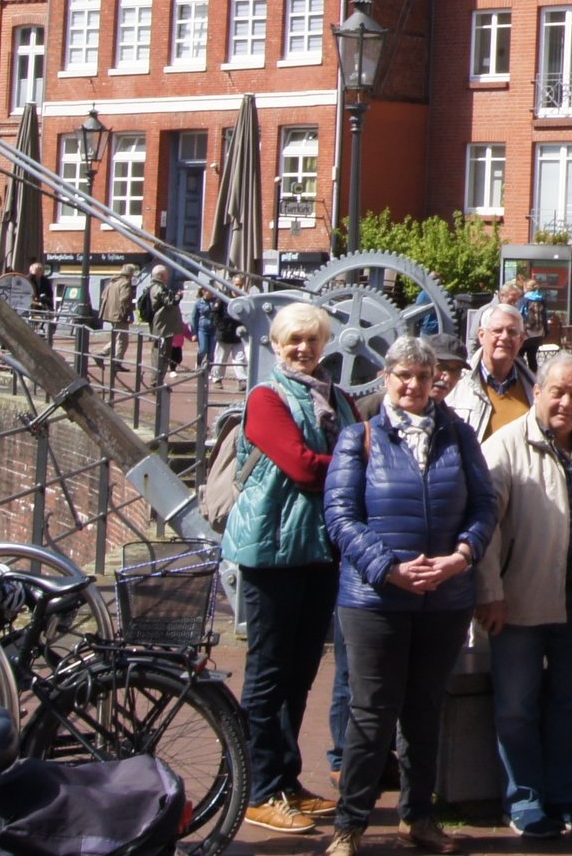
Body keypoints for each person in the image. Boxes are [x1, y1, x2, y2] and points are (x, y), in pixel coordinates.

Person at [323, 335, 499, 856]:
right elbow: (340, 515)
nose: (414, 386)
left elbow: (485, 505)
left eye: (423, 377)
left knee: (424, 711)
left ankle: (418, 817)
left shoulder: (459, 437)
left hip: (444, 599)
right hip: (376, 601)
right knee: (372, 712)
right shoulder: (361, 438)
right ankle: (350, 825)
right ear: (387, 378)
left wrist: (462, 557)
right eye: (404, 376)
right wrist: (388, 568)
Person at [225, 301, 359, 833]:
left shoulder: (340, 398)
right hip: (273, 551)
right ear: (276, 346)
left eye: (312, 339)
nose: (303, 349)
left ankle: (286, 780)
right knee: (268, 672)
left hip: (319, 551)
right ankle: (258, 788)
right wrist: (358, 457)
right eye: (293, 341)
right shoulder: (266, 398)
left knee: (301, 673)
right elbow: (302, 467)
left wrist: (357, 456)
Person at [476, 353, 572, 839]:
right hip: (520, 595)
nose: (567, 401)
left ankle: (565, 796)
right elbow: (486, 530)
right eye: (558, 391)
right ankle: (524, 799)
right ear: (538, 392)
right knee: (516, 703)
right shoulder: (504, 447)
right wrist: (490, 591)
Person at [448, 302, 539, 440]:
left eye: (512, 332)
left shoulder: (536, 389)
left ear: (521, 340)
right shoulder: (456, 384)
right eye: (497, 331)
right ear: (481, 335)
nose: (504, 337)